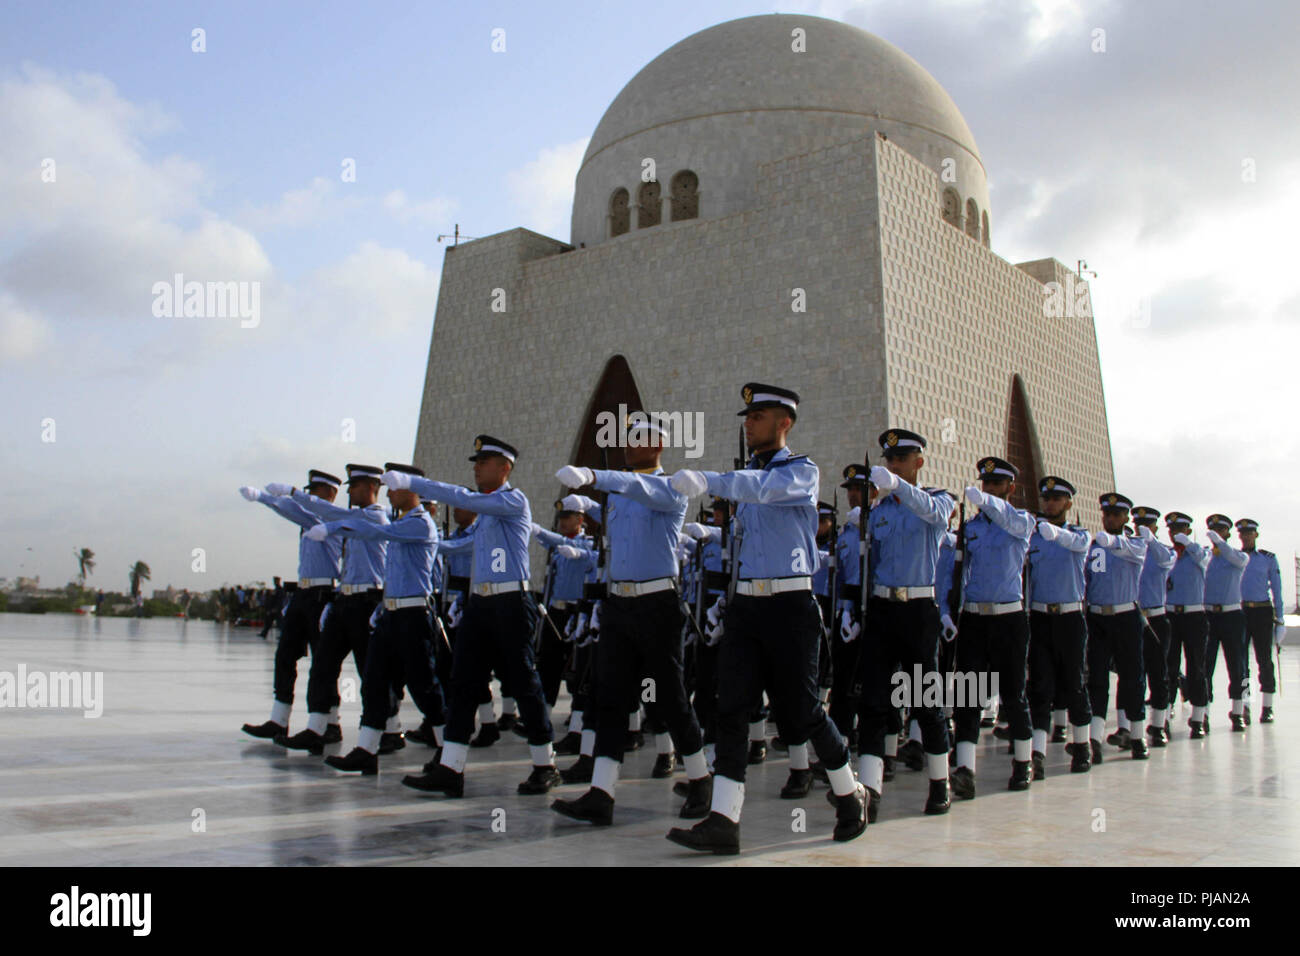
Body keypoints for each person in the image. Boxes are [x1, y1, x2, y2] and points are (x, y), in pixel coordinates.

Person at [665, 383, 867, 853]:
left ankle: (848, 794)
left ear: (784, 422)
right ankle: (724, 820)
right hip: (748, 607)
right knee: (732, 708)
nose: (749, 423)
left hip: (790, 607)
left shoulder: (800, 472)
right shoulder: (748, 479)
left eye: (759, 416)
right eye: (747, 417)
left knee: (803, 711)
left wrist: (712, 481)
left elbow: (764, 489)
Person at [550, 416, 713, 825]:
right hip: (619, 605)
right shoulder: (619, 492)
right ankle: (602, 793)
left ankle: (701, 780)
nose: (628, 445)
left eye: (638, 437)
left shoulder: (670, 487)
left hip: (657, 604)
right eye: (627, 438)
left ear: (658, 442)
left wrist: (592, 474)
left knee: (671, 697)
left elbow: (638, 487)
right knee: (611, 697)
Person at [396, 436, 559, 797]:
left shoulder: (512, 501)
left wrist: (414, 483)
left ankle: (545, 763)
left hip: (510, 603)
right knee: (464, 681)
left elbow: (462, 498)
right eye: (476, 462)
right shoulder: (488, 512)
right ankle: (451, 768)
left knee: (522, 680)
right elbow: (467, 545)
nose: (476, 467)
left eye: (483, 462)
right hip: (481, 606)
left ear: (505, 468)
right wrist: (433, 545)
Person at [304, 463, 446, 774]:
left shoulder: (420, 524)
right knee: (375, 682)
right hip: (390, 613)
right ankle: (367, 751)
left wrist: (332, 527)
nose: (390, 493)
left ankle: (446, 750)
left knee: (424, 686)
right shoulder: (402, 521)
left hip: (413, 614)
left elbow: (378, 530)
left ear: (413, 489)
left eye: (395, 486)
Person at [853, 429, 953, 817]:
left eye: (900, 460)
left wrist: (897, 486)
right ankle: (871, 791)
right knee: (875, 701)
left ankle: (940, 784)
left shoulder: (937, 501)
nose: (892, 465)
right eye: (888, 460)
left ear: (918, 463)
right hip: (882, 609)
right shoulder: (879, 513)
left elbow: (935, 513)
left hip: (917, 610)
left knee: (926, 700)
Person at [267, 464, 388, 755]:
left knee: (370, 672)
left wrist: (293, 493)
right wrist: (265, 497)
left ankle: (387, 731)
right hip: (344, 599)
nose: (351, 492)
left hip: (367, 601)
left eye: (355, 486)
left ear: (372, 487)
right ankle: (316, 727)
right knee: (322, 665)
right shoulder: (350, 517)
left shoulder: (375, 517)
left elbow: (332, 515)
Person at [950, 456, 1035, 798]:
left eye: (996, 484)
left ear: (1010, 488)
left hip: (1008, 618)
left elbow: (1012, 521)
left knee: (1013, 694)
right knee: (968, 695)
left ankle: (1023, 762)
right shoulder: (971, 528)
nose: (988, 490)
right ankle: (965, 769)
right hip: (974, 616)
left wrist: (988, 503)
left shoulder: (1021, 521)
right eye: (985, 485)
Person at [238, 470, 343, 741]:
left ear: (330, 494)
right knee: (285, 655)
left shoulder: (326, 518)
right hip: (303, 592)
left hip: (323, 594)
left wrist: (263, 497)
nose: (309, 497)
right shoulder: (308, 520)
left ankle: (330, 723)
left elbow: (292, 511)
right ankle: (279, 719)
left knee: (324, 662)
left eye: (315, 492)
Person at [1025, 476, 1093, 775]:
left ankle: (1082, 746)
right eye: (1046, 499)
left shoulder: (1079, 535)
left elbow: (1075, 544)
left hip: (1070, 618)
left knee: (1074, 684)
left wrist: (1051, 531)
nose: (1049, 503)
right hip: (1041, 616)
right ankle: (1037, 752)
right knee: (1040, 686)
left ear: (1068, 503)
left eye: (1056, 499)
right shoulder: (1034, 536)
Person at [1085, 492, 1150, 761]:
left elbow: (1127, 550)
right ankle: (1094, 738)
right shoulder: (1097, 547)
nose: (1110, 518)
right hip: (1099, 617)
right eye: (1106, 514)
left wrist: (1110, 541)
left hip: (1125, 616)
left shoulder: (1135, 544)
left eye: (1116, 514)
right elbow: (1093, 578)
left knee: (1132, 677)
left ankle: (1137, 735)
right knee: (1097, 678)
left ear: (1125, 518)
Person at [1132, 506, 1176, 746]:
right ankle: (1129, 726)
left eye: (1147, 524)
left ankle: (1159, 724)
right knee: (1132, 674)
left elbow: (1166, 560)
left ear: (1155, 528)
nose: (1141, 528)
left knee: (1159, 674)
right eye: (1138, 523)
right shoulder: (1131, 547)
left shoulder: (1163, 552)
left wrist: (1151, 541)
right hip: (1133, 615)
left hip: (1157, 617)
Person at [1202, 514, 1250, 731]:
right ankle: (1202, 712)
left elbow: (1239, 560)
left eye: (1221, 531)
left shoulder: (1236, 556)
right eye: (1214, 530)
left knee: (1237, 666)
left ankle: (1239, 710)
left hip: (1232, 615)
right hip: (1209, 615)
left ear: (1227, 533)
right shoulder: (1206, 556)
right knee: (1204, 667)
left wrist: (1221, 544)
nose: (1216, 534)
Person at [1165, 512, 1211, 737]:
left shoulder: (1199, 553)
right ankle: (1163, 714)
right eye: (1173, 530)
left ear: (1188, 531)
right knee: (1169, 667)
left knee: (1196, 667)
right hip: (1171, 615)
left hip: (1194, 615)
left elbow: (1204, 559)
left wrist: (1188, 543)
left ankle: (1199, 717)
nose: (1176, 534)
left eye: (1180, 530)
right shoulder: (1168, 555)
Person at [1236, 518, 1285, 723]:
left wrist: (1280, 618)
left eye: (1250, 533)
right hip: (1241, 611)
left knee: (1264, 660)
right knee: (1242, 663)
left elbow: (1276, 588)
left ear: (1256, 535)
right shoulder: (1235, 558)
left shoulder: (1268, 558)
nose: (1246, 537)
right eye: (1243, 534)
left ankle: (1267, 706)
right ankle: (1246, 704)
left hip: (1263, 611)